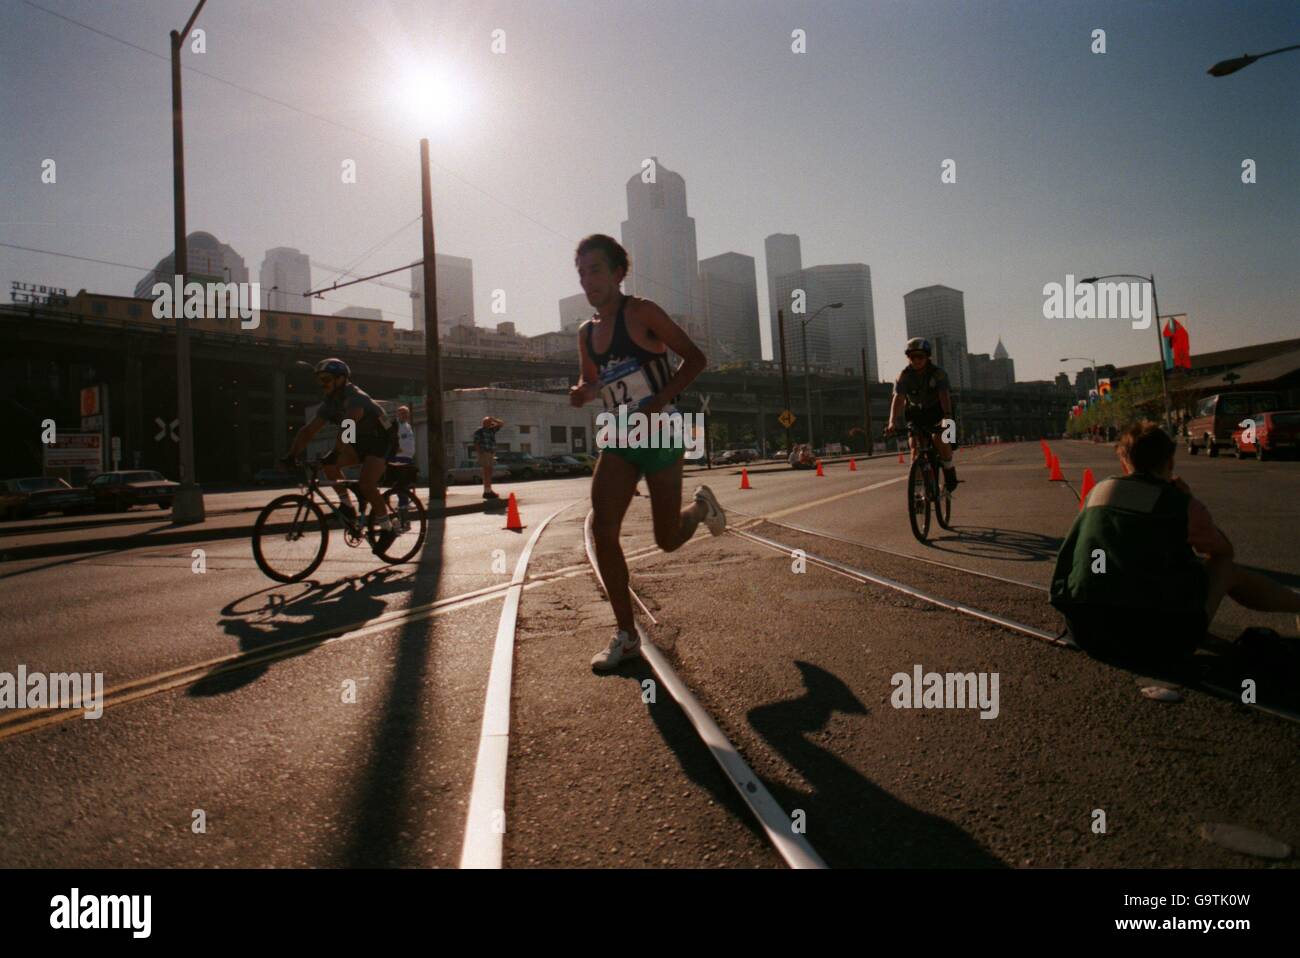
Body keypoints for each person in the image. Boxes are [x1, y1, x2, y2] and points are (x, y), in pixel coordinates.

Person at [568, 234, 725, 670]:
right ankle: (626, 634)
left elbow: (695, 358)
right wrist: (583, 393)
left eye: (595, 269)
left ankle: (699, 508)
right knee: (604, 530)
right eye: (581, 272)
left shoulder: (642, 312)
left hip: (661, 432)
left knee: (667, 539)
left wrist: (663, 396)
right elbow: (593, 380)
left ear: (619, 272)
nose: (587, 280)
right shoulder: (586, 332)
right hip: (620, 435)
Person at [1050, 421, 1300, 668]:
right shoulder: (1178, 502)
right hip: (1160, 646)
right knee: (1224, 569)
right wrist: (1188, 498)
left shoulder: (1098, 491)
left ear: (1124, 463)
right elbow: (1224, 552)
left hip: (1086, 633)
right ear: (1169, 462)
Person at [283, 358, 399, 553]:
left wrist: (335, 452)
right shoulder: (331, 402)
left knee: (366, 484)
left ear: (341, 379)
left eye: (326, 379)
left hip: (382, 441)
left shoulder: (355, 397)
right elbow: (309, 430)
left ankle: (388, 528)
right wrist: (291, 455)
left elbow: (349, 426)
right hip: (359, 441)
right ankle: (347, 506)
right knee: (329, 466)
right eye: (320, 380)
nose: (323, 384)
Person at [885, 338, 959, 491]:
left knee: (941, 438)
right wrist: (892, 422)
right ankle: (918, 490)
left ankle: (949, 471)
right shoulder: (904, 375)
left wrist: (947, 416)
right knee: (915, 446)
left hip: (939, 410)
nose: (916, 360)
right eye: (912, 357)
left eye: (920, 356)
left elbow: (944, 395)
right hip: (916, 412)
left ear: (927, 357)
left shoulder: (938, 374)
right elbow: (898, 399)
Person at [390, 405, 417, 530]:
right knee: (401, 489)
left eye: (406, 413)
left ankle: (404, 519)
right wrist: (395, 449)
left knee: (404, 488)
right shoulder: (395, 425)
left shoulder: (407, 425)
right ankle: (403, 519)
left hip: (407, 459)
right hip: (398, 459)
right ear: (397, 414)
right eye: (401, 413)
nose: (404, 415)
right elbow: (390, 439)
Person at [472, 416, 504, 499]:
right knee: (486, 471)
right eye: (487, 422)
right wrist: (479, 452)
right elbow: (476, 442)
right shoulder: (479, 431)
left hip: (491, 452)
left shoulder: (491, 430)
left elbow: (501, 423)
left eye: (490, 422)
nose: (489, 423)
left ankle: (489, 490)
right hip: (484, 452)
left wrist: (493, 419)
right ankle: (487, 491)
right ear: (483, 423)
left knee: (489, 471)